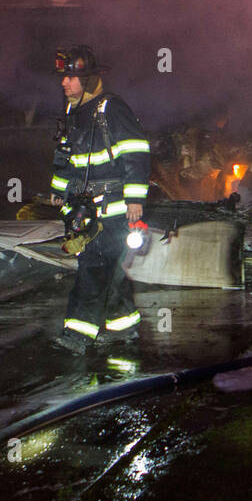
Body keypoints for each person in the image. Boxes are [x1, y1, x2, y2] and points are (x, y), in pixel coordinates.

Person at [50, 45, 150, 355]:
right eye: (64, 78)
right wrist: (58, 190)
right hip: (86, 208)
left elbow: (136, 150)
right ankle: (125, 327)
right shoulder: (72, 112)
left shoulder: (112, 109)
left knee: (93, 269)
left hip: (113, 209)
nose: (64, 83)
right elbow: (66, 157)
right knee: (111, 270)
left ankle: (77, 335)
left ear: (89, 80)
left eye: (70, 77)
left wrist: (135, 198)